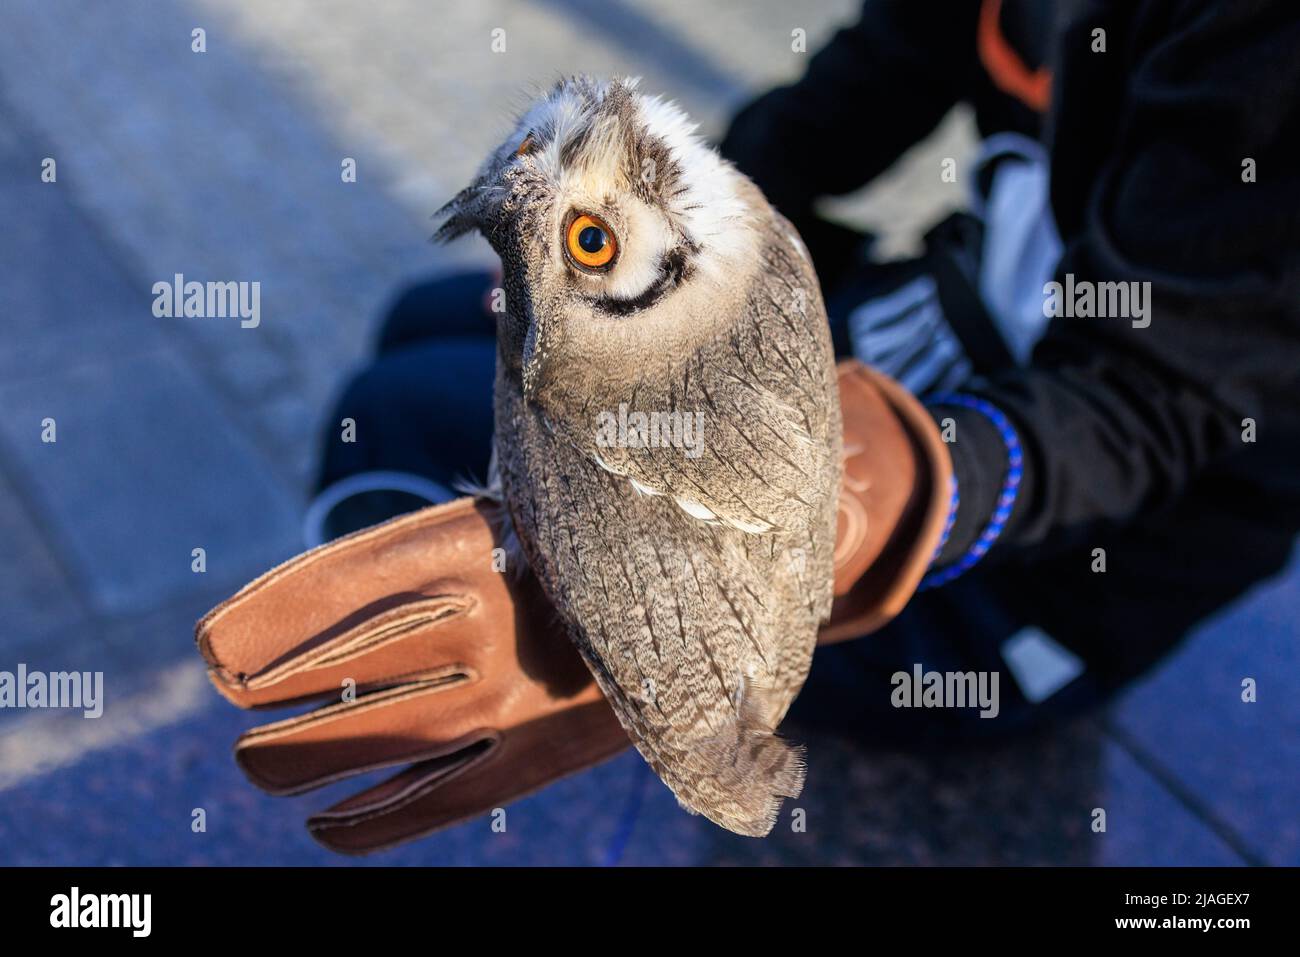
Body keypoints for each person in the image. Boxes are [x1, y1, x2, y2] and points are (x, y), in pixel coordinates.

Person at [198, 0, 1300, 852]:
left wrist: (833, 517)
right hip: (949, 336)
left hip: (1053, 540)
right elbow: (848, 102)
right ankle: (393, 685)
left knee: (393, 413)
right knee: (439, 321)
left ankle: (377, 728)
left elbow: (1149, 403)